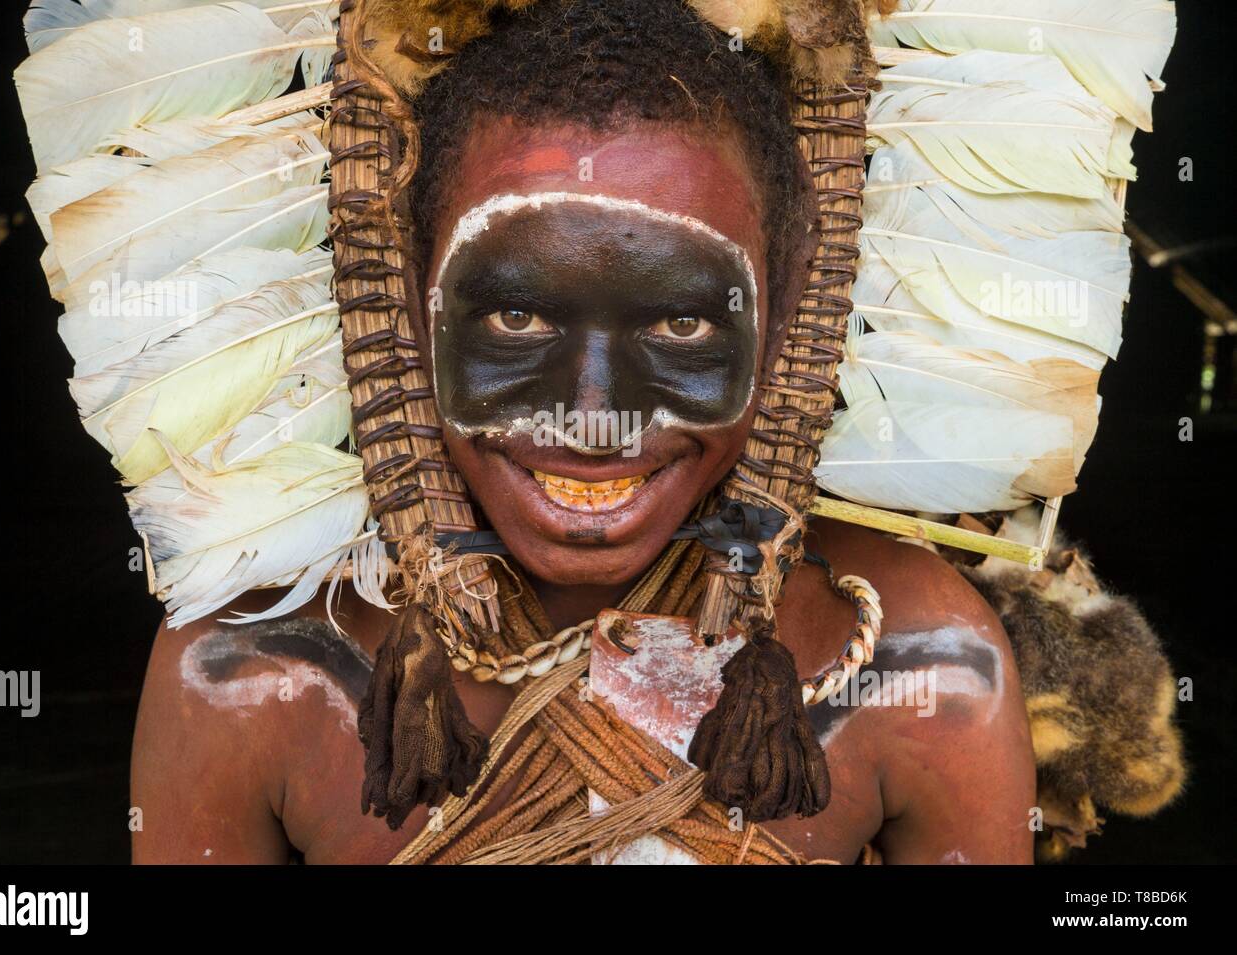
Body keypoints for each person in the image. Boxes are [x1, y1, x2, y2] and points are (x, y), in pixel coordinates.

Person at [130, 0, 1037, 864]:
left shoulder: (926, 671)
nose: (593, 413)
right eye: (518, 318)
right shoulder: (248, 674)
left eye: (679, 325)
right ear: (410, 301)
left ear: (787, 310)